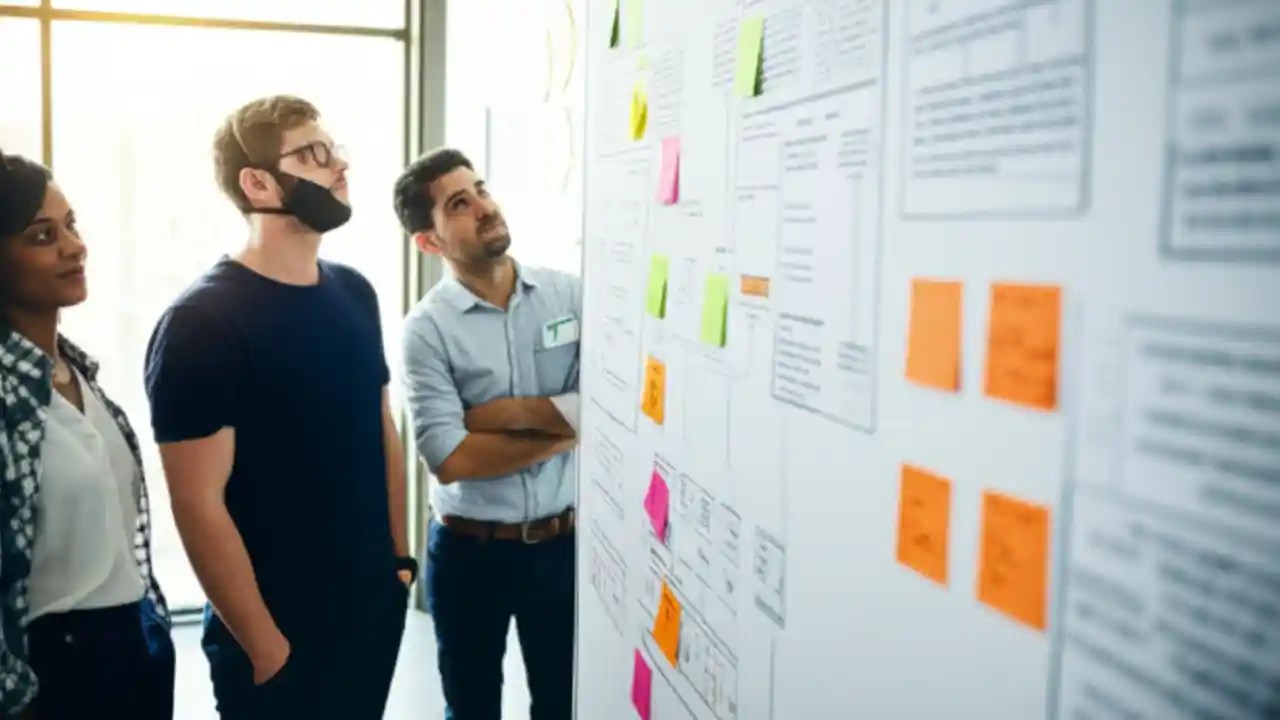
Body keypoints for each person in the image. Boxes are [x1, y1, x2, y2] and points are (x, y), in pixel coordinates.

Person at [142, 95, 412, 719]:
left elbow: (379, 426)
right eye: (314, 154)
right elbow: (197, 503)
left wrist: (397, 564)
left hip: (371, 608)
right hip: (276, 636)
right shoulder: (201, 321)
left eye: (335, 150)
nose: (338, 166)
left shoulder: (354, 292)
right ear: (257, 182)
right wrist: (266, 649)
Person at [394, 147, 581, 720]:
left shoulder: (569, 295)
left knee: (562, 702)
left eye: (480, 189)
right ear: (430, 241)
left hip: (562, 546)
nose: (484, 207)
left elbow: (609, 404)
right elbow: (450, 458)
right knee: (471, 707)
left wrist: (493, 415)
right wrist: (568, 428)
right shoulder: (425, 331)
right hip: (469, 552)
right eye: (459, 203)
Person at [0, 151, 175, 719]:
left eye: (71, 225)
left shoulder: (77, 374)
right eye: (42, 235)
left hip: (135, 647)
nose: (74, 246)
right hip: (52, 673)